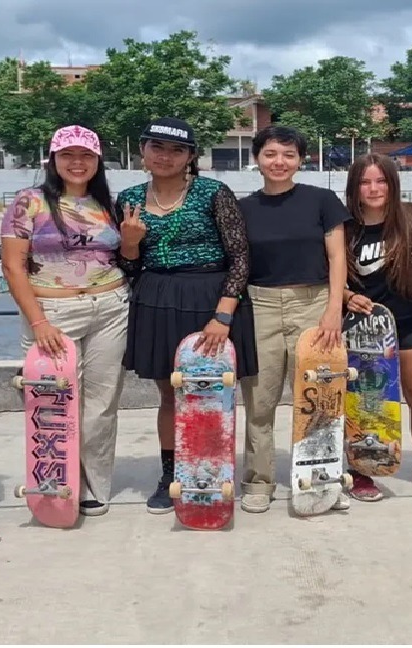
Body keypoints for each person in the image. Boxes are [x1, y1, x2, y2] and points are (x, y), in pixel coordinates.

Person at [115, 117, 257, 514]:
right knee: (170, 393)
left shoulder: (214, 192)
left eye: (176, 149)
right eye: (157, 146)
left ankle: (214, 467)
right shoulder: (129, 199)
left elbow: (241, 256)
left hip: (211, 297)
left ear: (191, 156)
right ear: (142, 150)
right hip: (157, 296)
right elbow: (127, 268)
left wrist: (223, 315)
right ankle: (172, 474)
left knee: (213, 390)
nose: (165, 156)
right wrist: (129, 244)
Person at [0, 124, 134, 518]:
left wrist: (131, 238)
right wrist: (38, 322)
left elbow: (125, 255)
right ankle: (57, 480)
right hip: (53, 312)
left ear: (97, 161)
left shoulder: (108, 203)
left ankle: (94, 486)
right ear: (53, 160)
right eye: (67, 156)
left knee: (101, 403)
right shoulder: (30, 202)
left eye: (86, 156)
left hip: (110, 307)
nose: (77, 163)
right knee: (52, 402)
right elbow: (12, 266)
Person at [237, 125, 351, 513]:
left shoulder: (322, 201)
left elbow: (337, 257)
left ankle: (324, 477)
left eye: (288, 155)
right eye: (270, 154)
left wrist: (333, 308)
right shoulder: (243, 208)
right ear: (257, 159)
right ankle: (258, 481)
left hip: (313, 303)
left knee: (322, 398)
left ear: (301, 159)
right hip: (260, 305)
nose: (279, 162)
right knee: (260, 400)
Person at [341, 153, 412, 500]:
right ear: (354, 187)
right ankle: (362, 468)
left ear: (393, 183)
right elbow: (322, 274)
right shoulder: (343, 227)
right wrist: (345, 296)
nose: (373, 188)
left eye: (381, 180)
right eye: (365, 181)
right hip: (365, 329)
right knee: (366, 403)